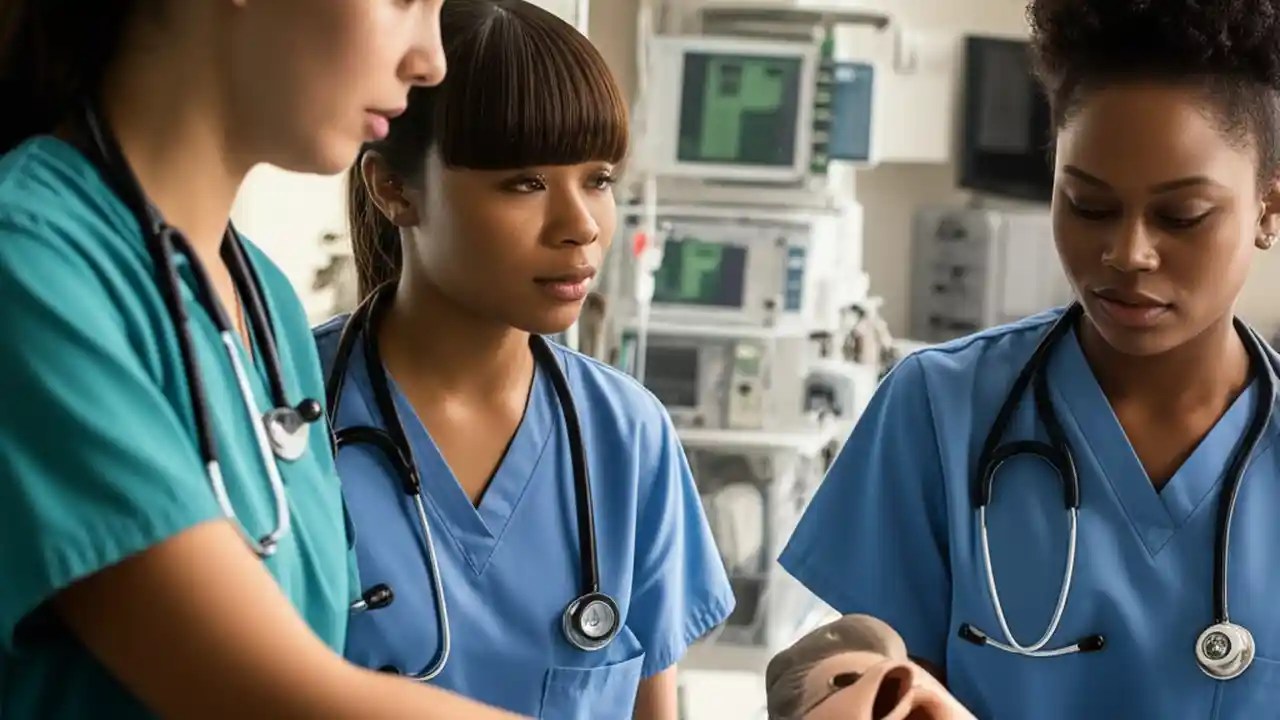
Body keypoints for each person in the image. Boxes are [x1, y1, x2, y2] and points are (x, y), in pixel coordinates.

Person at [0, 1, 526, 717]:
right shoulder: (30, 267)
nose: (430, 60)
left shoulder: (267, 305)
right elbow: (271, 698)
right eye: (405, 2)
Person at [779, 0, 1280, 717]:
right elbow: (870, 653)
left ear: (1269, 207)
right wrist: (843, 676)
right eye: (1088, 205)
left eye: (1181, 217)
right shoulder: (940, 409)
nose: (1128, 254)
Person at [314, 2, 736, 717]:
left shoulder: (626, 436)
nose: (580, 227)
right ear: (393, 187)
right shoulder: (287, 409)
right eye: (525, 183)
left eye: (598, 179)